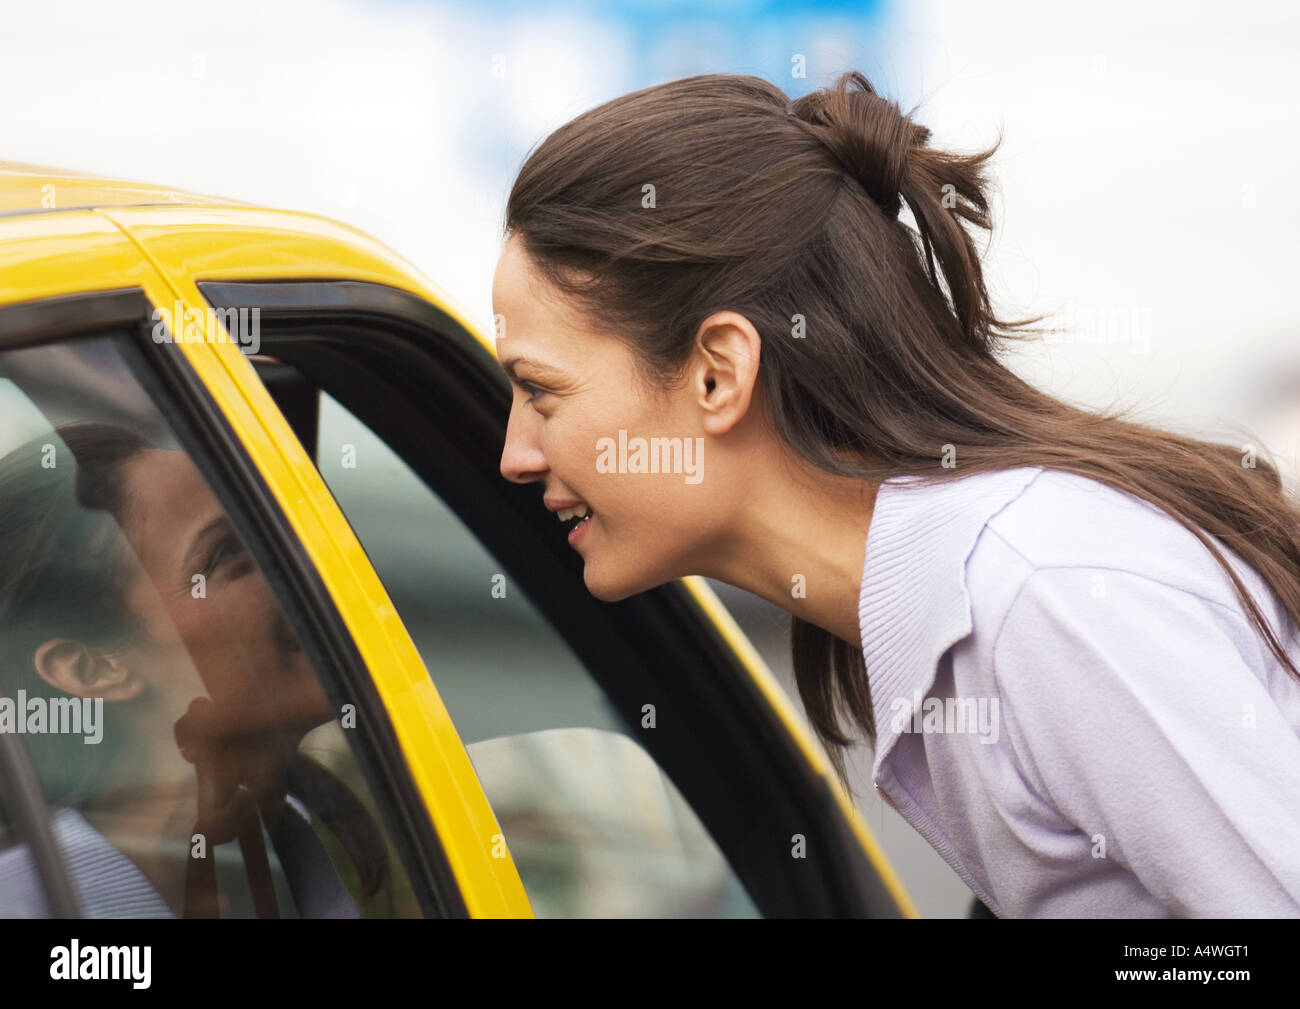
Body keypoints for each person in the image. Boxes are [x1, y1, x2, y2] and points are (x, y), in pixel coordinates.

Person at [491, 69, 1300, 916]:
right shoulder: (959, 600)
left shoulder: (1042, 595)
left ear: (716, 374)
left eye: (541, 391)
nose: (514, 453)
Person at [0, 422, 389, 917]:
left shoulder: (287, 851)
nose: (305, 565)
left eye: (273, 534)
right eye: (227, 551)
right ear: (91, 669)